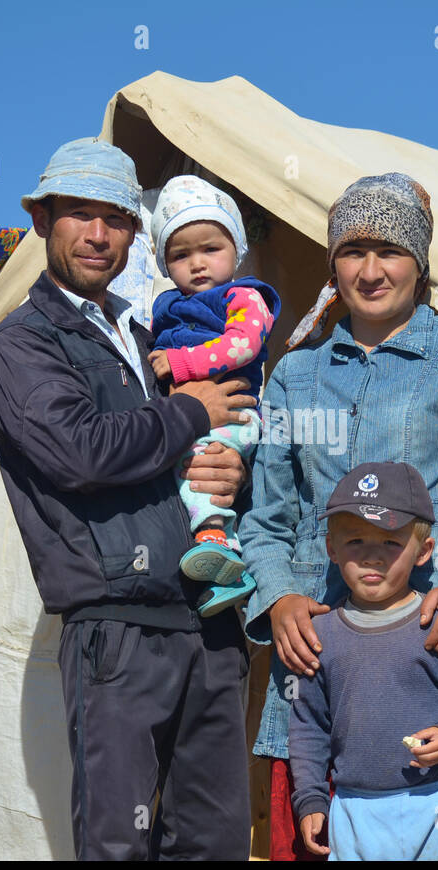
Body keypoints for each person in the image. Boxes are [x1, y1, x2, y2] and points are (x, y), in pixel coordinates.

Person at [239, 172, 438, 861]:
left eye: (391, 251)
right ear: (332, 263)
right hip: (321, 667)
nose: (371, 271)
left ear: (421, 261)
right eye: (352, 252)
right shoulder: (295, 377)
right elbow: (264, 517)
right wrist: (280, 595)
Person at [0, 139, 255, 860]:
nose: (98, 235)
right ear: (43, 220)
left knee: (215, 844)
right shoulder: (26, 343)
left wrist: (230, 472)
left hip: (213, 624)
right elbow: (81, 452)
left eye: (116, 219)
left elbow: (196, 446)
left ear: (136, 235)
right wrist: (194, 413)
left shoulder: (153, 332)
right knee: (117, 845)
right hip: (118, 629)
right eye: (79, 214)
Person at [290, 462, 438, 860]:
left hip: (437, 801)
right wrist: (311, 800)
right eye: (355, 542)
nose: (372, 557)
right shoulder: (322, 636)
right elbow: (308, 727)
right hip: (352, 809)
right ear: (331, 549)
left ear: (423, 551)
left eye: (390, 543)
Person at [146, 175, 280, 616]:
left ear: (236, 250)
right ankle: (231, 569)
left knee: (203, 466)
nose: (197, 264)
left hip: (233, 414)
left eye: (211, 249)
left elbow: (244, 344)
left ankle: (213, 538)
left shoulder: (242, 296)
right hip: (190, 416)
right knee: (180, 475)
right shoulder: (165, 307)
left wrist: (183, 366)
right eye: (181, 255)